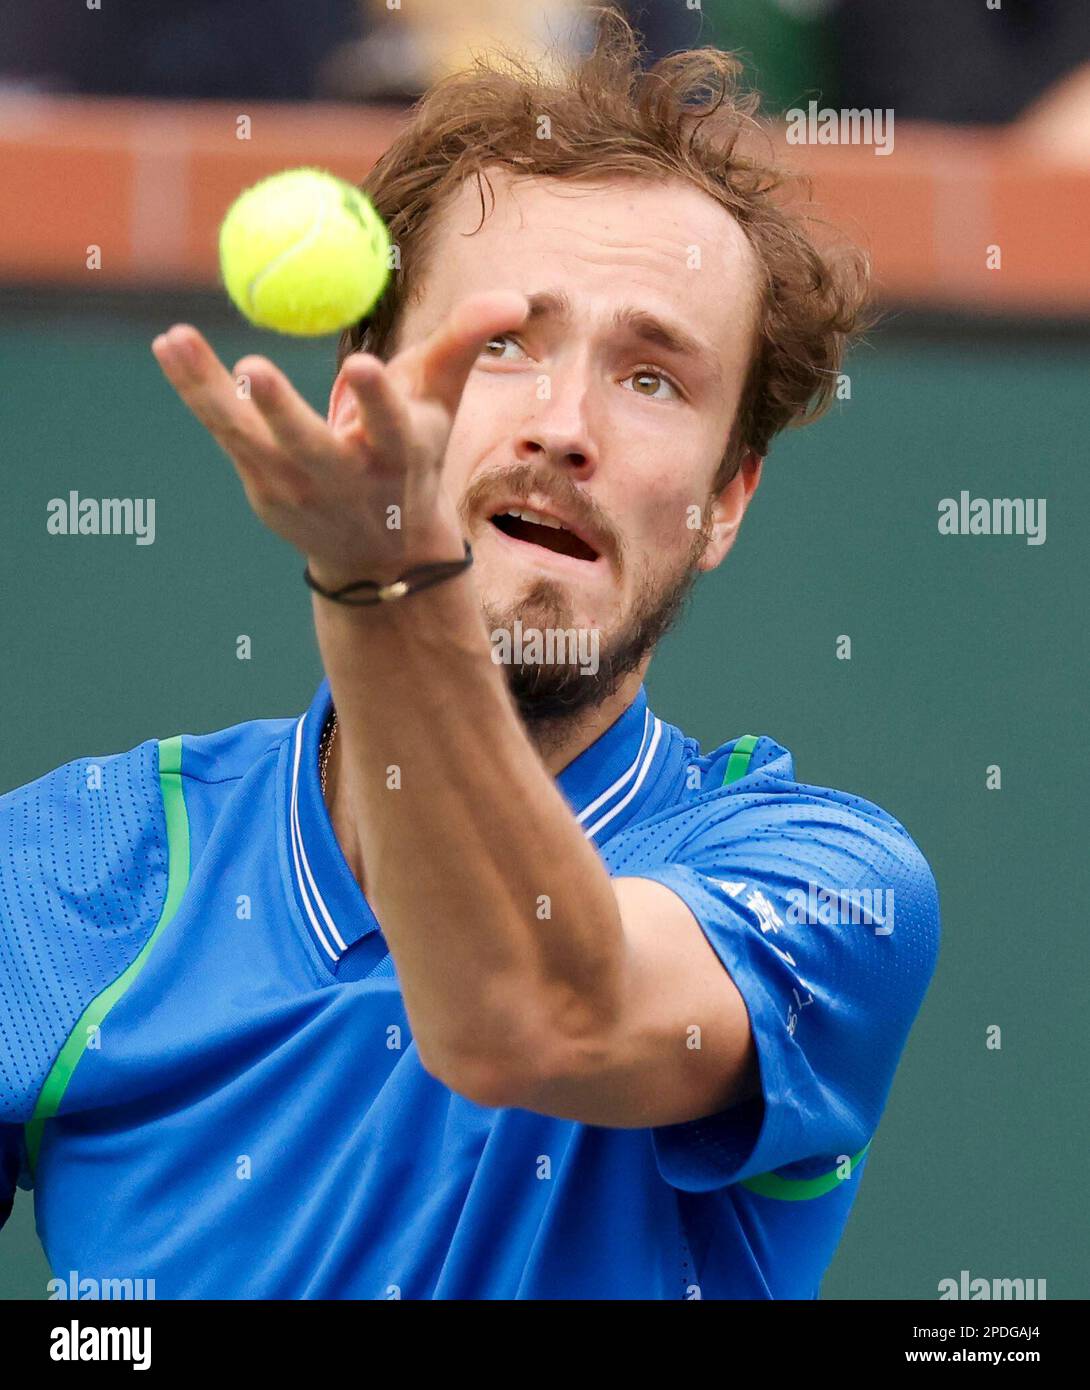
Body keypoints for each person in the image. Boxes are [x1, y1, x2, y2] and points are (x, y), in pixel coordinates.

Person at [0, 11, 939, 1300]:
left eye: (653, 378)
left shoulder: (838, 892)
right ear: (357, 399)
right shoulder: (62, 869)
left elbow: (536, 1014)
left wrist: (387, 585)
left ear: (727, 502)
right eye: (502, 342)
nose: (564, 427)